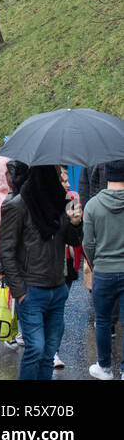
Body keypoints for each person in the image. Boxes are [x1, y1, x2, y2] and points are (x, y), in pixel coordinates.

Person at [0, 165, 82, 380]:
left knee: (48, 353)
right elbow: (6, 251)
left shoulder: (59, 204)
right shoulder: (18, 206)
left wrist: (75, 222)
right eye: (57, 176)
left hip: (57, 287)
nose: (62, 182)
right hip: (32, 290)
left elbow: (73, 241)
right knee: (35, 349)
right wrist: (20, 291)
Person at [82, 159, 124, 380]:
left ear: (106, 176)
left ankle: (105, 367)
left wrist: (96, 261)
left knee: (103, 320)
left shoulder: (93, 205)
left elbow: (87, 242)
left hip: (104, 270)